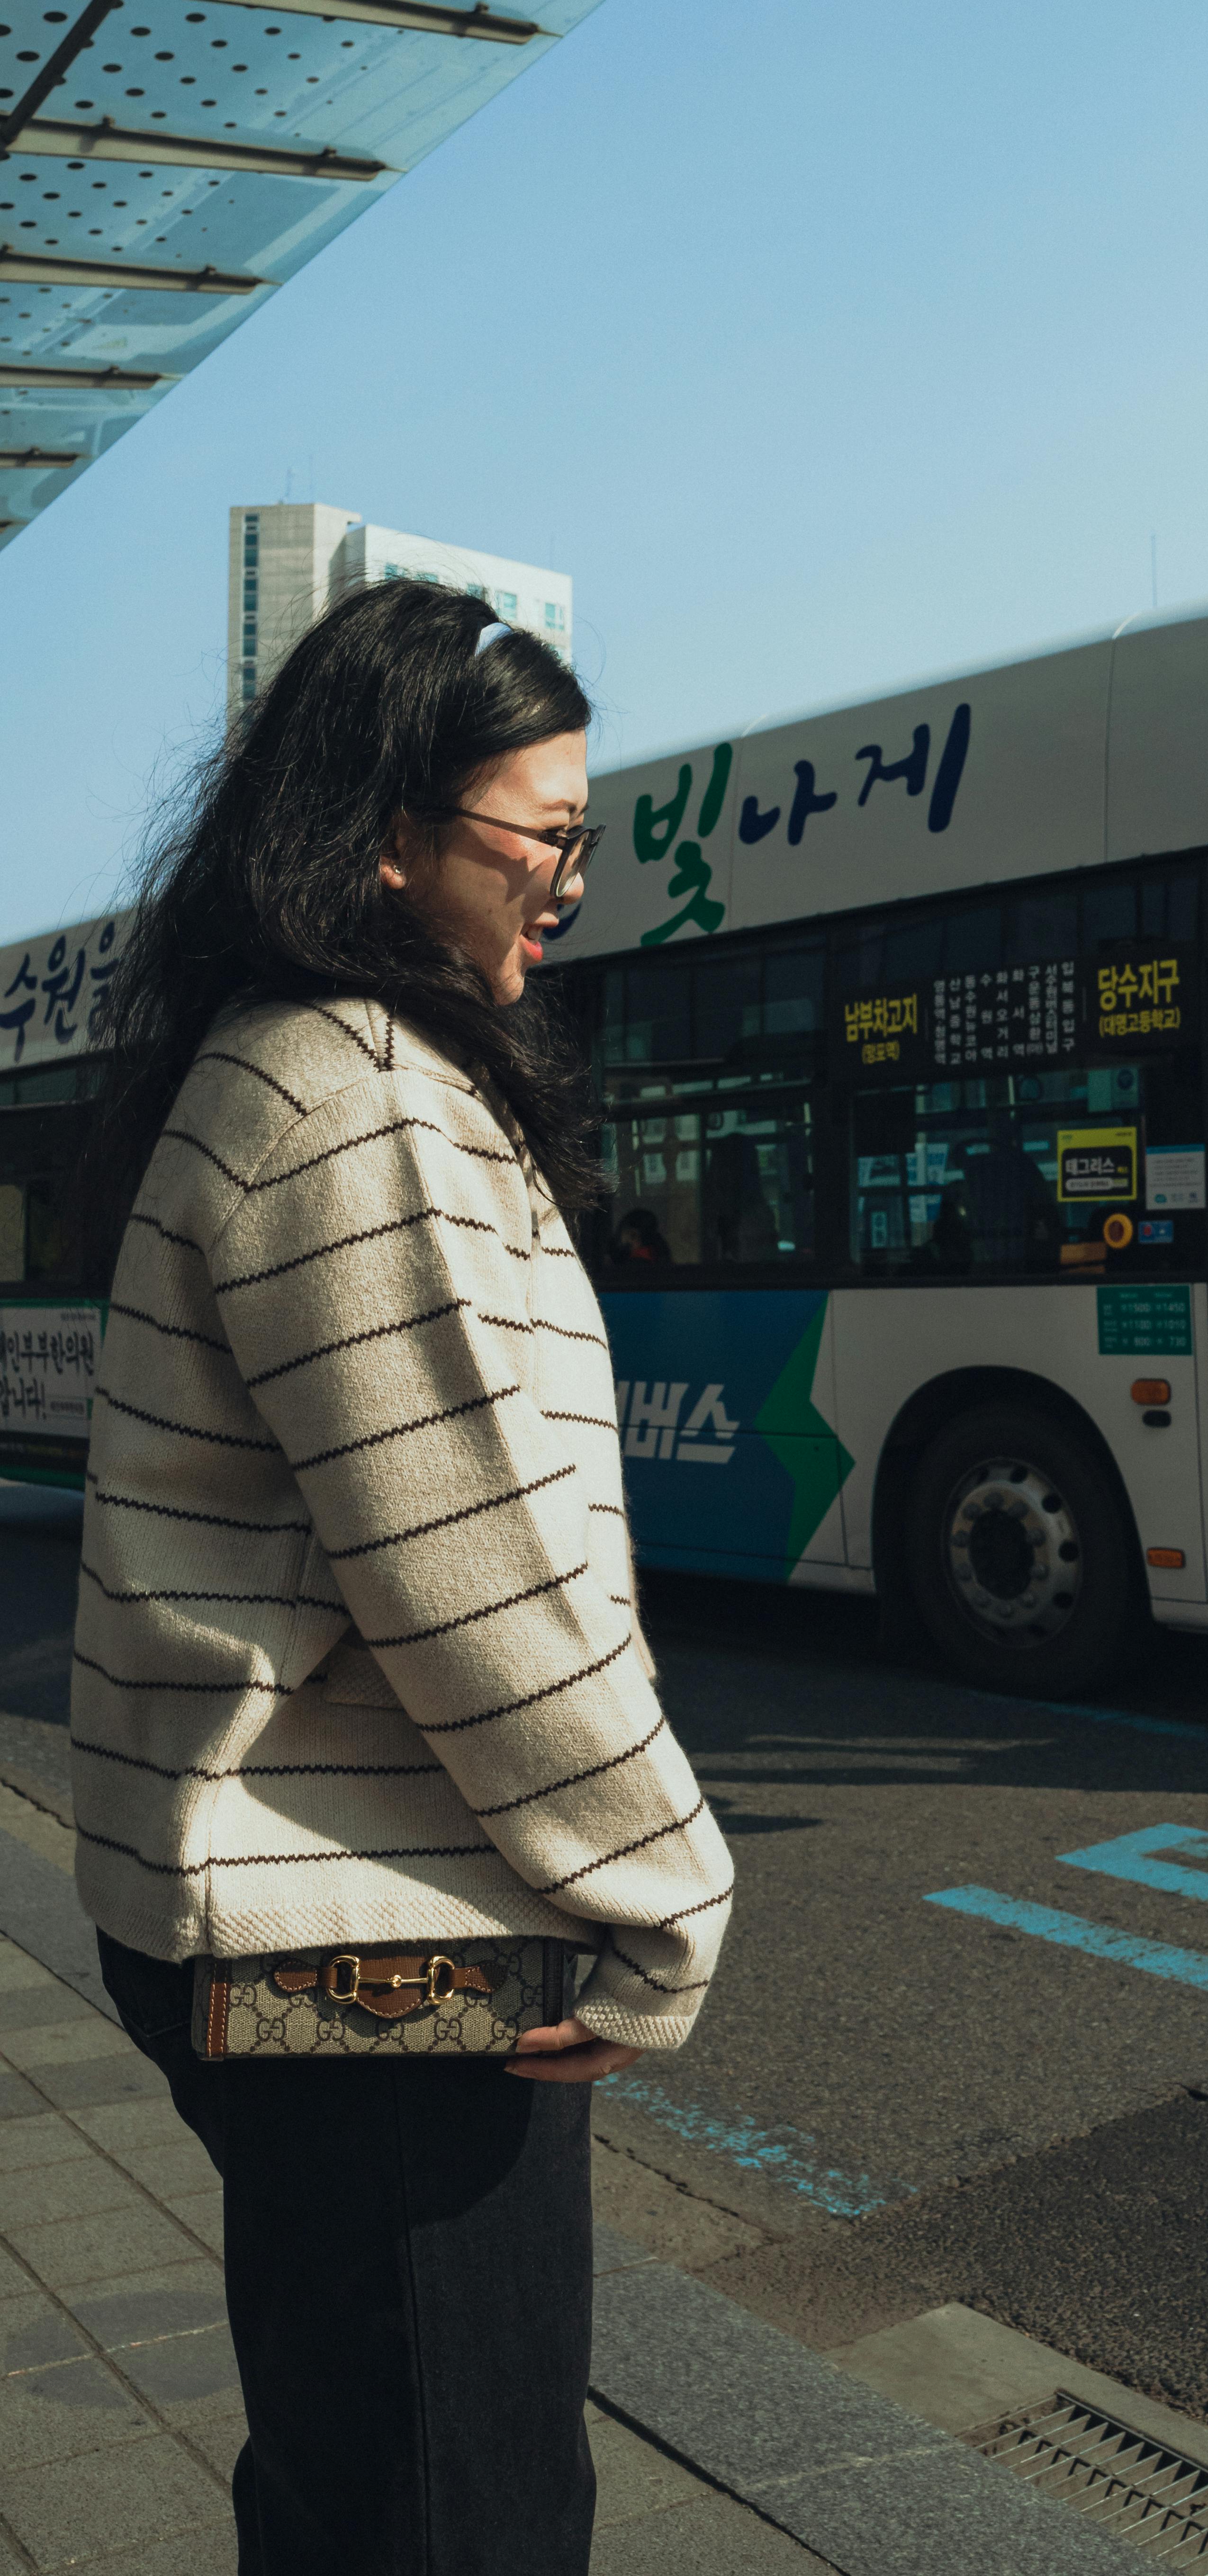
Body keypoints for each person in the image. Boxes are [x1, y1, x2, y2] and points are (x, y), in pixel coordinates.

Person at [73, 583, 733, 2576]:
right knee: (462, 2510)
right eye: (543, 838)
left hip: (298, 1908)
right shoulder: (358, 1094)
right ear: (386, 829)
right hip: (375, 1938)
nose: (572, 889)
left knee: (360, 2468)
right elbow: (475, 1566)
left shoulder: (304, 1066)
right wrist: (669, 1898)